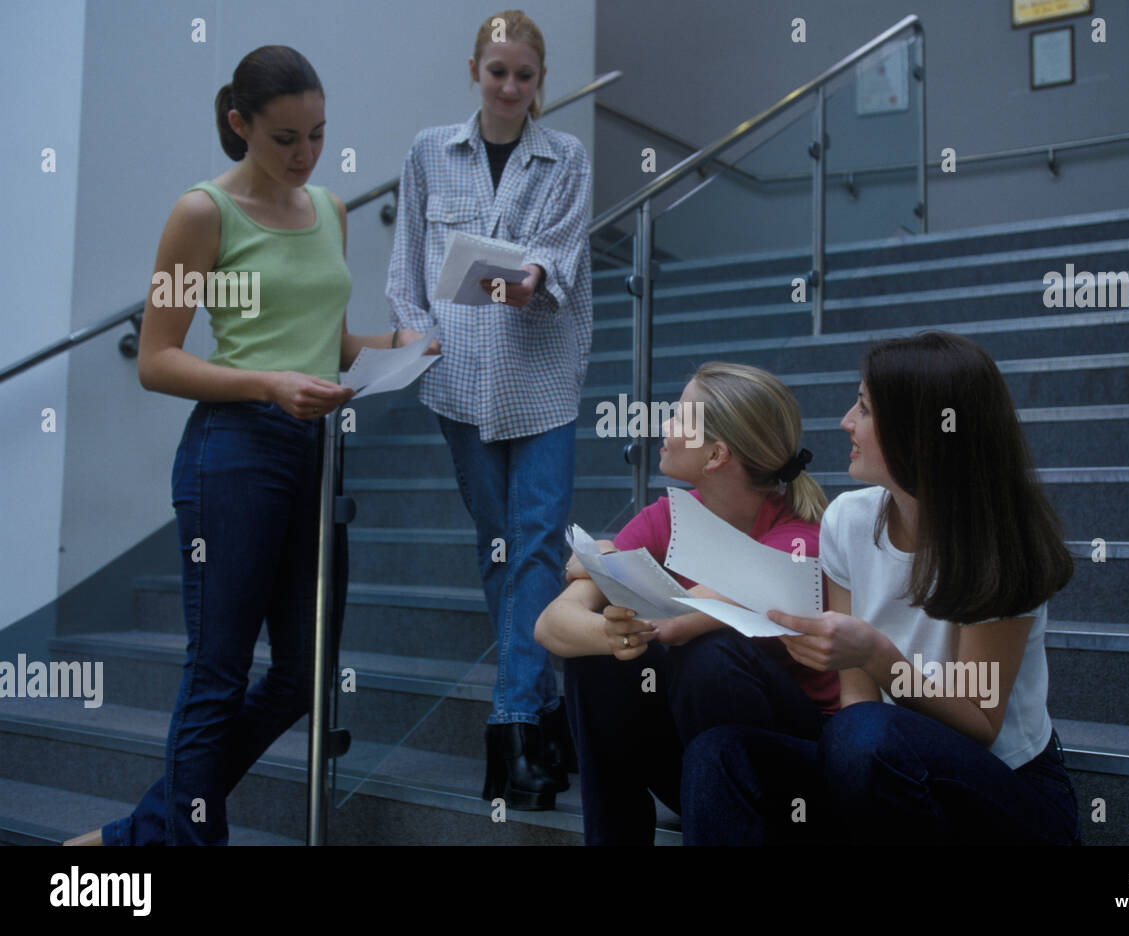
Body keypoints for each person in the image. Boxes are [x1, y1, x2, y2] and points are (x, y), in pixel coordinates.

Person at [64, 46, 434, 847]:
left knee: (302, 676)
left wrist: (403, 345)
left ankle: (145, 832)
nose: (305, 156)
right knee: (218, 675)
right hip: (233, 453)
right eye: (285, 138)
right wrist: (267, 384)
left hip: (316, 454)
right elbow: (158, 359)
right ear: (240, 124)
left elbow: (326, 345)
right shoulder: (202, 213)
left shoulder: (329, 209)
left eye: (318, 135)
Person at [680, 332, 1082, 846]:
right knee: (719, 755)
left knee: (866, 736)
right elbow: (856, 700)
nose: (846, 420)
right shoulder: (849, 519)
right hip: (883, 765)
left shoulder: (999, 544)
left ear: (922, 431)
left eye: (865, 409)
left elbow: (981, 724)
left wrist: (876, 655)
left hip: (1007, 791)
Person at [385, 10, 593, 811]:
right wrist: (414, 330)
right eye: (497, 70)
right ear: (474, 68)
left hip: (541, 377)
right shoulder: (429, 153)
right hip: (460, 382)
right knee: (501, 547)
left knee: (539, 540)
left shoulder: (564, 157)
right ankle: (544, 712)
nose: (510, 86)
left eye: (525, 74)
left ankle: (506, 727)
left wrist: (530, 276)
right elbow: (407, 265)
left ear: (542, 81)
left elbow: (557, 258)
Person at [535, 362, 840, 844]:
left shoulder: (799, 543)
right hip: (692, 761)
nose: (664, 427)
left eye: (679, 418)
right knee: (602, 658)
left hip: (790, 772)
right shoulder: (670, 517)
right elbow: (552, 625)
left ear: (717, 453)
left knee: (711, 653)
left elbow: (674, 620)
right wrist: (607, 620)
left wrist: (602, 562)